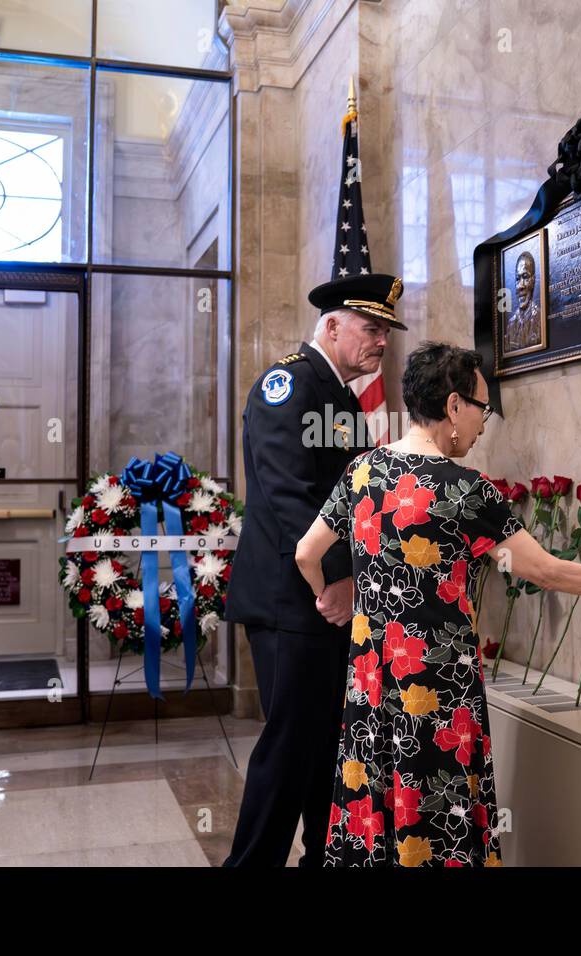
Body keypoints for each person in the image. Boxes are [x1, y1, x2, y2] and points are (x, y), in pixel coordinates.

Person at [295, 342, 581, 866]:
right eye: (482, 408)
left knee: (376, 803)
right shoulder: (464, 489)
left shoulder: (362, 472)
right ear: (453, 407)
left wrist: (328, 596)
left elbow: (306, 552)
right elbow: (544, 569)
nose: (484, 424)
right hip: (435, 688)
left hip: (370, 680)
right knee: (436, 807)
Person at [223, 273, 407, 867]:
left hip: (324, 598)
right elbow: (291, 495)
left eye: (385, 331)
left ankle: (324, 860)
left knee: (328, 746)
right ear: (332, 327)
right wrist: (336, 577)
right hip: (291, 597)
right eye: (371, 329)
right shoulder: (289, 385)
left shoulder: (337, 395)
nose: (381, 343)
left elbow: (351, 497)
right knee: (290, 747)